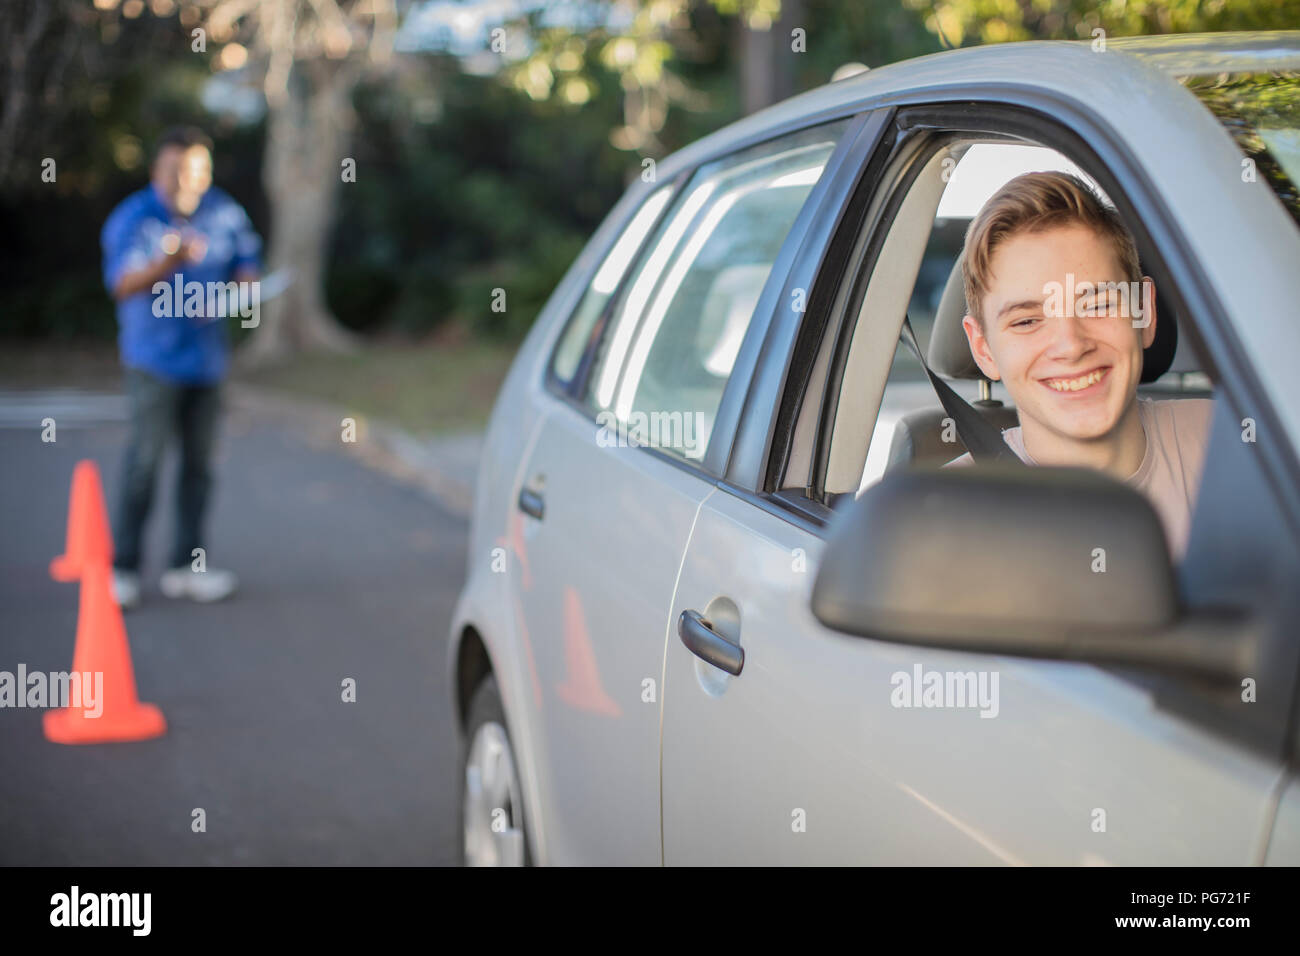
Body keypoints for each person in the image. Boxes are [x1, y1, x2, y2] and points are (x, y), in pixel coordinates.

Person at [949, 170, 1212, 560]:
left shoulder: (1240, 446)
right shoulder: (942, 515)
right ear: (984, 348)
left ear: (1145, 313)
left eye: (1098, 304)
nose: (1071, 346)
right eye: (1027, 321)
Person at [100, 126, 261, 607]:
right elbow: (121, 285)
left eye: (196, 170)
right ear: (157, 171)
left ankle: (185, 568)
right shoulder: (133, 217)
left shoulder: (226, 212)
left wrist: (244, 291)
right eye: (176, 170)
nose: (186, 180)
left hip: (208, 364)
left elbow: (248, 267)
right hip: (153, 362)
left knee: (200, 468)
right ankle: (123, 569)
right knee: (144, 464)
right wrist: (165, 262)